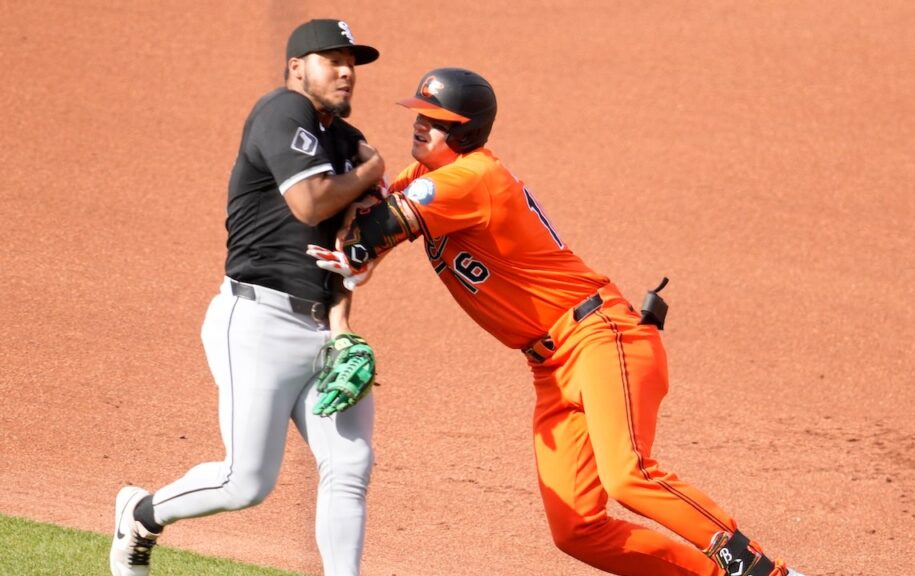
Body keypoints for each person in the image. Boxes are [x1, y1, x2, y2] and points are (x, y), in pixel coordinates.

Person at [307, 67, 807, 576]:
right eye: (420, 113)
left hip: (598, 336)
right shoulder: (428, 178)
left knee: (628, 476)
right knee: (576, 528)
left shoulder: (473, 177)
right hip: (550, 366)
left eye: (435, 120)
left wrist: (358, 244)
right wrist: (361, 248)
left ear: (465, 131)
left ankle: (764, 570)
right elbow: (375, 221)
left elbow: (381, 225)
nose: (420, 124)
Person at [110, 19, 385, 576]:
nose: (346, 71)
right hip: (258, 321)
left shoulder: (343, 141)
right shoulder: (281, 111)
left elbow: (340, 249)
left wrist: (341, 327)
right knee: (247, 482)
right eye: (332, 59)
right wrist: (374, 168)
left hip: (321, 330)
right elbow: (310, 203)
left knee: (350, 464)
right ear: (296, 67)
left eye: (351, 62)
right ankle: (139, 515)